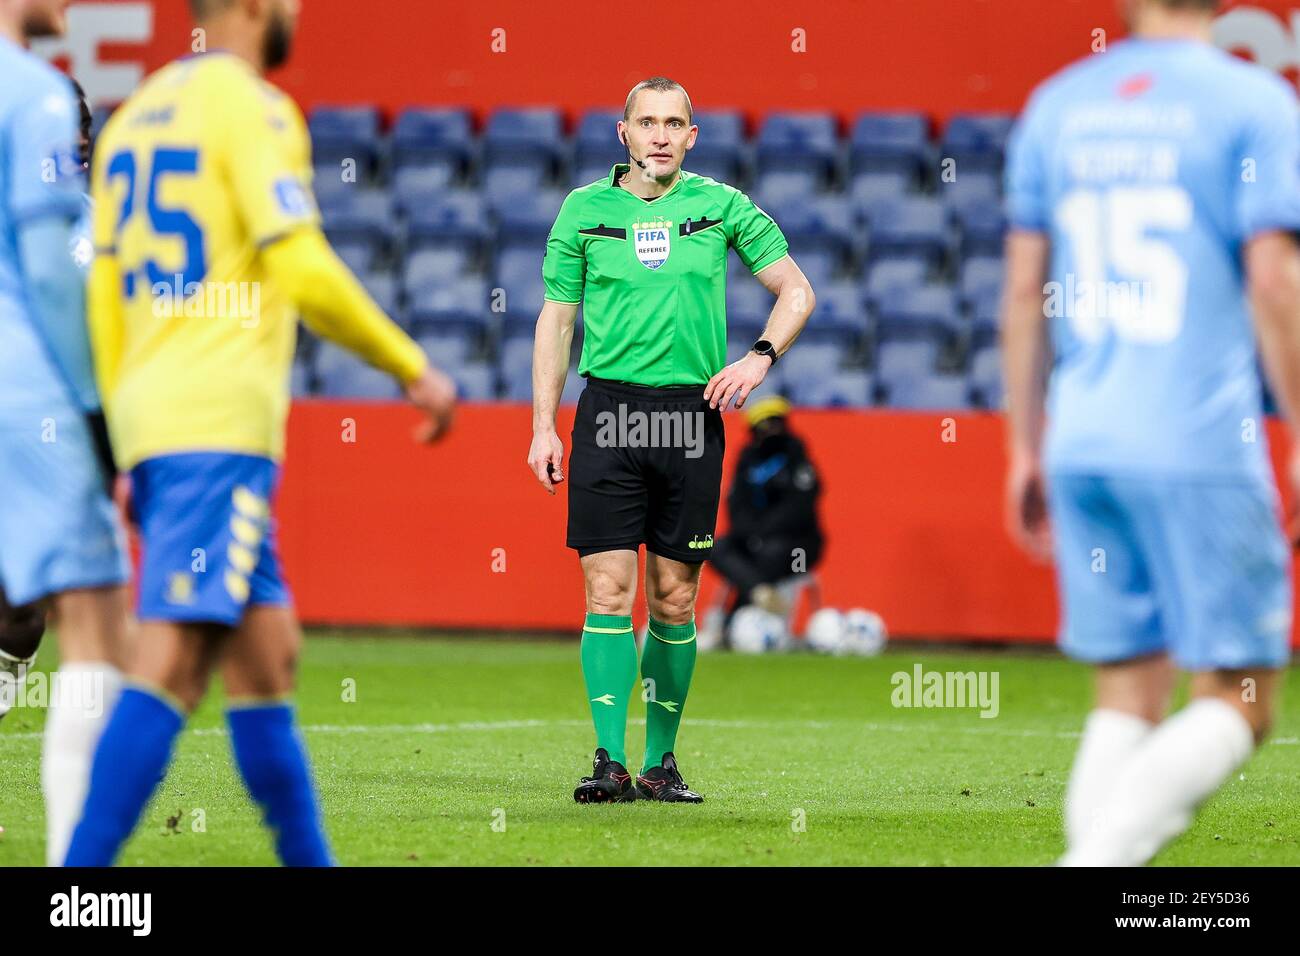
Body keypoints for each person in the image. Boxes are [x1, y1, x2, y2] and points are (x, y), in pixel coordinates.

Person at [63, 0, 457, 866]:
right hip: (218, 428)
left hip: (157, 421)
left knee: (268, 659)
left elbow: (103, 292)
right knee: (169, 662)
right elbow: (303, 266)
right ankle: (74, 886)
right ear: (250, 7)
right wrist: (410, 365)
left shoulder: (132, 119)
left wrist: (123, 425)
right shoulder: (253, 106)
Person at [1002, 0, 1300, 865]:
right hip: (1197, 439)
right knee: (1243, 697)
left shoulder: (1060, 104)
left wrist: (1025, 443)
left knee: (1127, 696)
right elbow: (1274, 285)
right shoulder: (1255, 104)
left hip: (1082, 438)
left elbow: (1024, 293)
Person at [527, 76, 816, 803]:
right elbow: (557, 321)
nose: (660, 134)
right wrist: (542, 426)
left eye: (674, 122)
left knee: (676, 598)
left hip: (690, 418)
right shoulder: (583, 211)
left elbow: (797, 290)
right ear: (621, 133)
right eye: (646, 121)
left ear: (693, 136)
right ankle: (606, 759)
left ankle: (660, 763)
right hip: (610, 414)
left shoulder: (720, 206)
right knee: (607, 587)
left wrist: (759, 357)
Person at [0, 0, 133, 866]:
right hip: (33, 393)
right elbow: (54, 274)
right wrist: (92, 404)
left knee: (22, 619)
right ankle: (74, 880)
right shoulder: (36, 93)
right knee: (92, 622)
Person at [710, 396, 824, 628]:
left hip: (799, 550)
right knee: (715, 548)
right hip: (753, 540)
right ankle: (760, 592)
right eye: (765, 425)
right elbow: (735, 504)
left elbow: (800, 508)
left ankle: (735, 621)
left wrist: (762, 535)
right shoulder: (747, 460)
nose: (771, 430)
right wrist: (750, 535)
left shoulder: (797, 456)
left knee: (772, 554)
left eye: (776, 422)